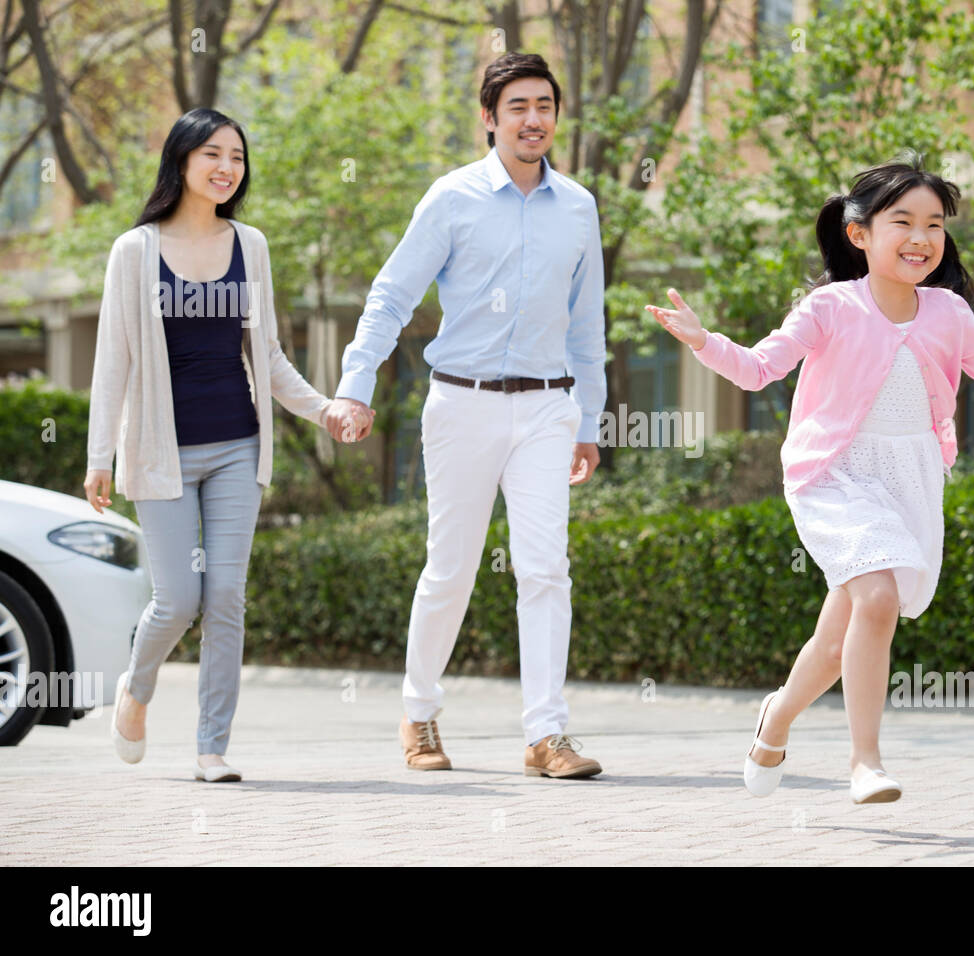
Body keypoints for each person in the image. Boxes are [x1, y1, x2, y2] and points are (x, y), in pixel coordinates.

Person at [646, 154, 974, 803]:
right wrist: (704, 341)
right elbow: (758, 370)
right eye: (904, 222)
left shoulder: (947, 313)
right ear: (859, 232)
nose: (922, 238)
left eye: (935, 224)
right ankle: (865, 761)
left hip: (911, 477)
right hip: (832, 474)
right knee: (876, 599)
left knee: (838, 643)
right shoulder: (830, 306)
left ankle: (775, 719)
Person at [330, 53, 607, 778]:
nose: (533, 119)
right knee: (450, 569)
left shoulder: (579, 207)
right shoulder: (451, 199)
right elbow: (391, 296)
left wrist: (590, 419)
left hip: (548, 405)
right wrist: (356, 384)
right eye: (517, 106)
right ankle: (419, 713)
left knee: (546, 568)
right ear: (489, 118)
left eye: (544, 105)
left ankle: (547, 735)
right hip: (462, 403)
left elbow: (587, 327)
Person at [86, 108, 364, 782]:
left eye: (236, 157)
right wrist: (99, 457)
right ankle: (138, 686)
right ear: (181, 160)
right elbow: (112, 362)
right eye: (212, 153)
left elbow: (265, 356)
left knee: (227, 597)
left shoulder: (252, 246)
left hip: (238, 444)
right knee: (179, 598)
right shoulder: (136, 251)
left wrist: (322, 409)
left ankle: (212, 747)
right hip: (161, 451)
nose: (225, 167)